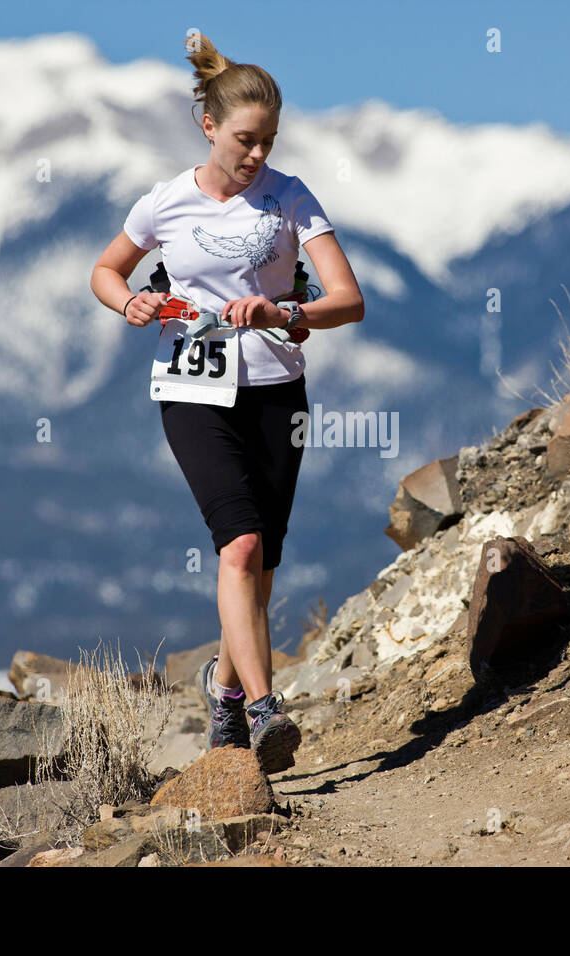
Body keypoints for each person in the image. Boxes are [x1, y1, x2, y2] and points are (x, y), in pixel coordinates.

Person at [90, 32, 364, 774]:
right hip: (192, 389)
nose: (257, 155)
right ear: (208, 127)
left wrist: (284, 313)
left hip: (279, 391)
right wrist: (132, 306)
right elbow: (107, 271)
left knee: (263, 564)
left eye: (268, 142)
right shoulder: (164, 204)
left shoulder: (290, 197)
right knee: (238, 545)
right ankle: (266, 709)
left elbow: (349, 301)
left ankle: (223, 692)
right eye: (245, 140)